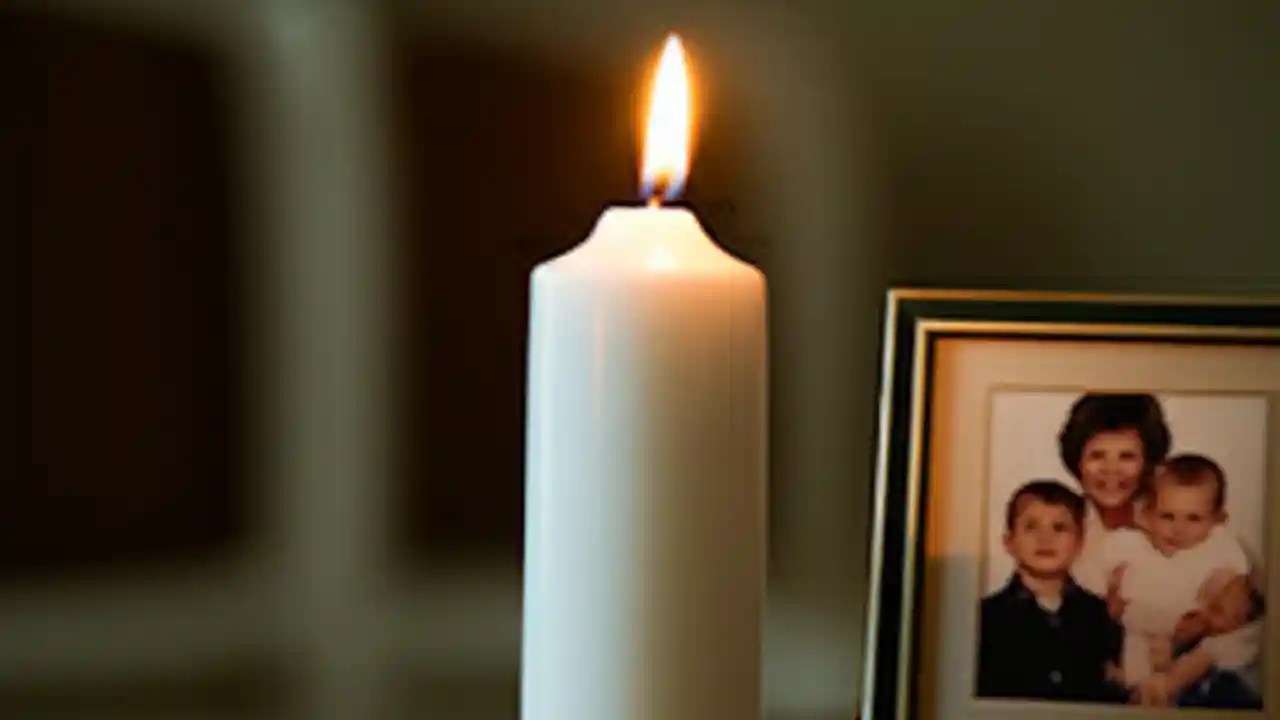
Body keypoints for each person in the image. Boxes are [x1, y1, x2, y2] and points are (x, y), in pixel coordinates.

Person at [1099, 455, 1251, 695]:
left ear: (1217, 519)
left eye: (1194, 518)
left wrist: (1206, 620)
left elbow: (1236, 605)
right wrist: (1112, 599)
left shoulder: (1218, 550)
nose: (1179, 529)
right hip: (1136, 632)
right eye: (1167, 516)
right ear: (1146, 515)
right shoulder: (1130, 545)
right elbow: (1104, 589)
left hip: (1192, 639)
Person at [978, 480, 1125, 702]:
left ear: (1079, 542)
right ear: (1009, 541)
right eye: (1031, 527)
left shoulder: (1102, 615)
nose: (1045, 539)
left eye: (1059, 528)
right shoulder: (985, 618)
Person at [1057, 394, 1171, 596]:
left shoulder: (1176, 518)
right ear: (1078, 462)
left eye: (1127, 456)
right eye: (1097, 456)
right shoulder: (1059, 523)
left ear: (1147, 462)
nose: (1111, 469)